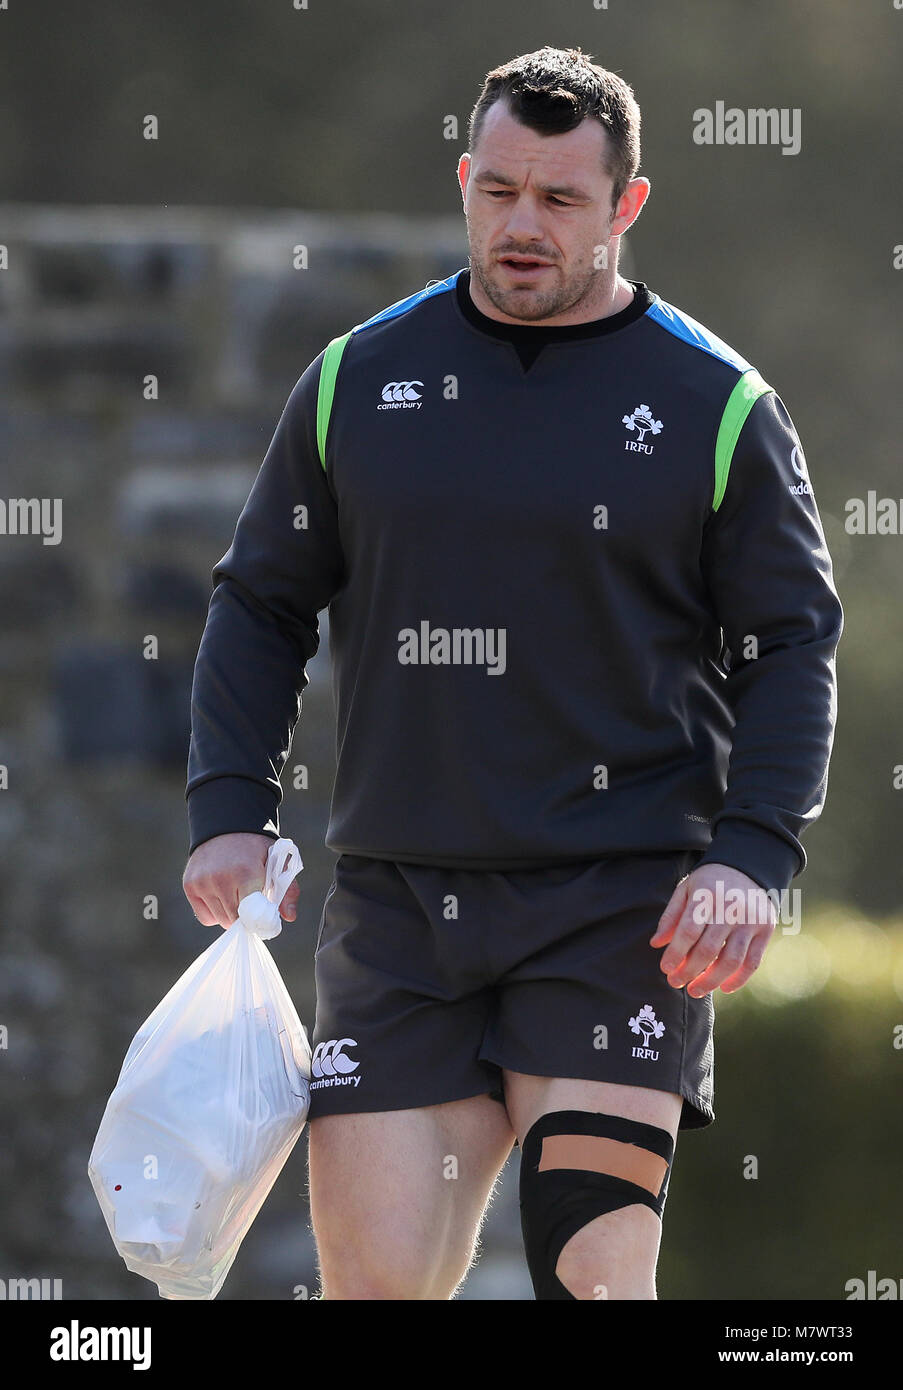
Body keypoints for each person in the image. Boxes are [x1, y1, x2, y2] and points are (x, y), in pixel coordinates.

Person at [182, 45, 843, 1300]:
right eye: (498, 192)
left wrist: (753, 853)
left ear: (627, 207)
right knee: (377, 1295)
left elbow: (791, 642)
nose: (522, 225)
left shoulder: (716, 406)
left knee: (593, 1282)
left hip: (615, 909)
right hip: (399, 917)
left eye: (560, 200)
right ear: (466, 181)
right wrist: (229, 809)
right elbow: (261, 603)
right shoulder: (354, 383)